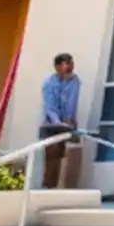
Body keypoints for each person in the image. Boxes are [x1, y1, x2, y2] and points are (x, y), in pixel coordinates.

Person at [39, 53, 81, 189]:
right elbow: (50, 107)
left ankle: (63, 186)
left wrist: (70, 121)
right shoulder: (49, 83)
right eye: (66, 64)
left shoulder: (74, 81)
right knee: (52, 152)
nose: (69, 67)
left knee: (67, 153)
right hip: (52, 124)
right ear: (57, 67)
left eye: (71, 63)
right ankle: (48, 185)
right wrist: (59, 122)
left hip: (68, 123)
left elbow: (72, 102)